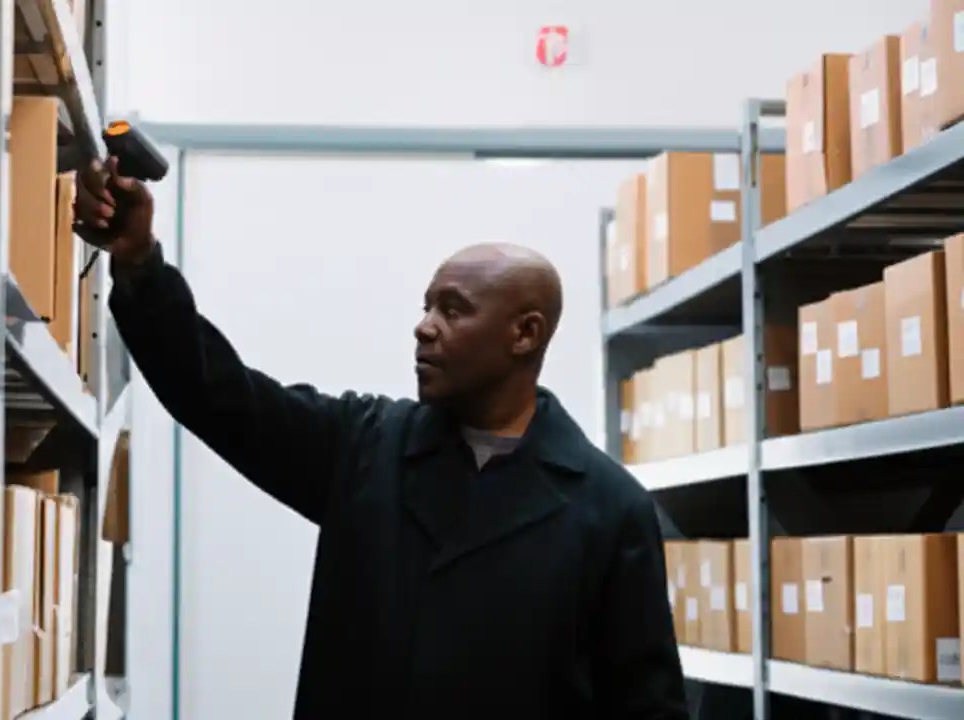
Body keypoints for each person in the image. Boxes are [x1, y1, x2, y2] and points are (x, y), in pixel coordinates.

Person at [79, 158, 687, 718]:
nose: (424, 327)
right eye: (427, 306)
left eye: (453, 309)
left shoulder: (609, 509)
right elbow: (219, 396)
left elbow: (646, 708)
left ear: (524, 334)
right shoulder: (364, 446)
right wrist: (139, 263)